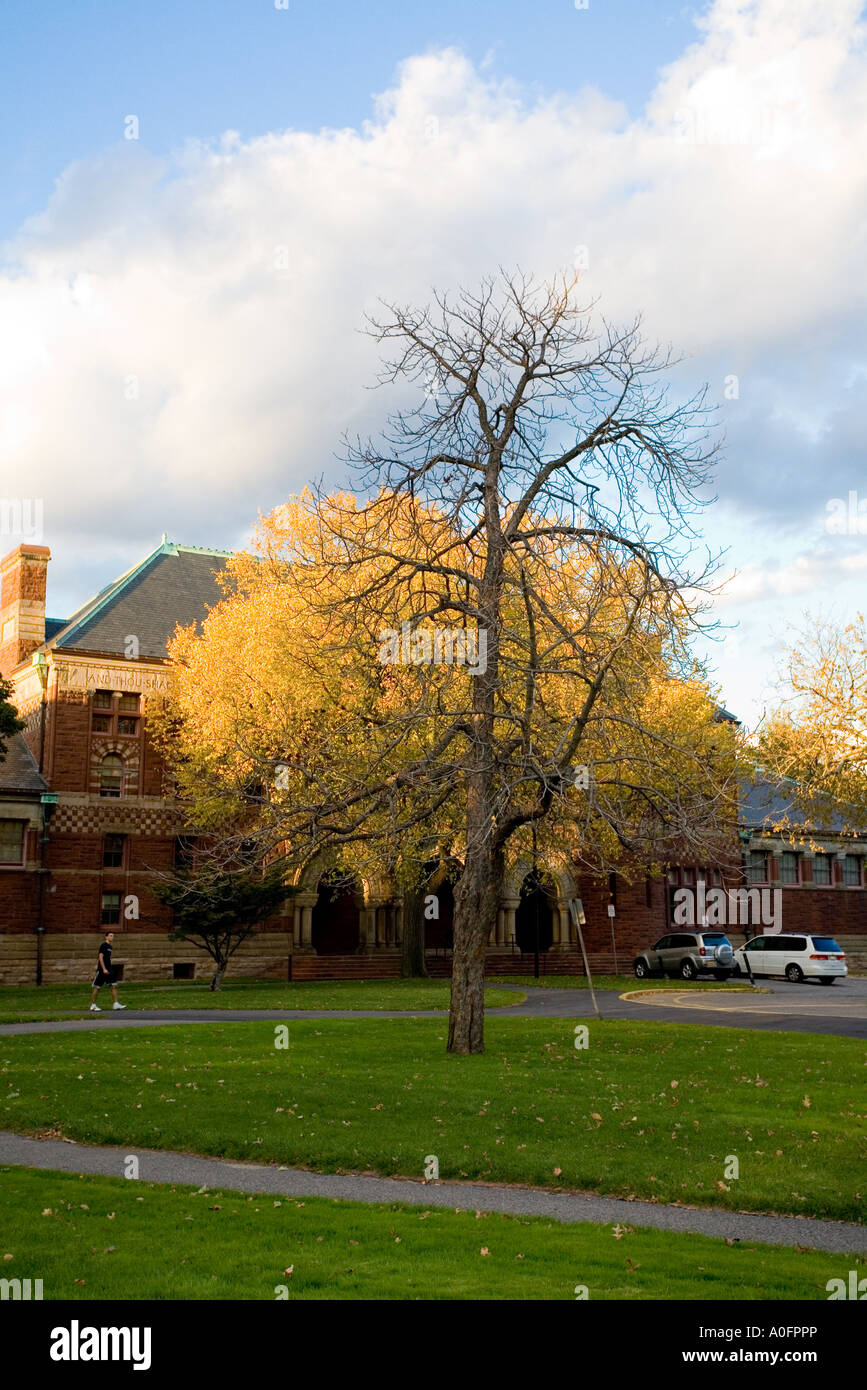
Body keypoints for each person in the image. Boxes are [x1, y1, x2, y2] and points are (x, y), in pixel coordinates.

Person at [90, 931, 127, 1011]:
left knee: (114, 985)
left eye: (113, 936)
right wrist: (103, 969)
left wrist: (108, 968)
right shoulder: (103, 945)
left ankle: (116, 1004)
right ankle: (93, 1005)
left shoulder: (110, 946)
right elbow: (100, 957)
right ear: (106, 937)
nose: (112, 937)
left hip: (109, 969)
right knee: (97, 987)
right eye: (110, 936)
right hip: (102, 970)